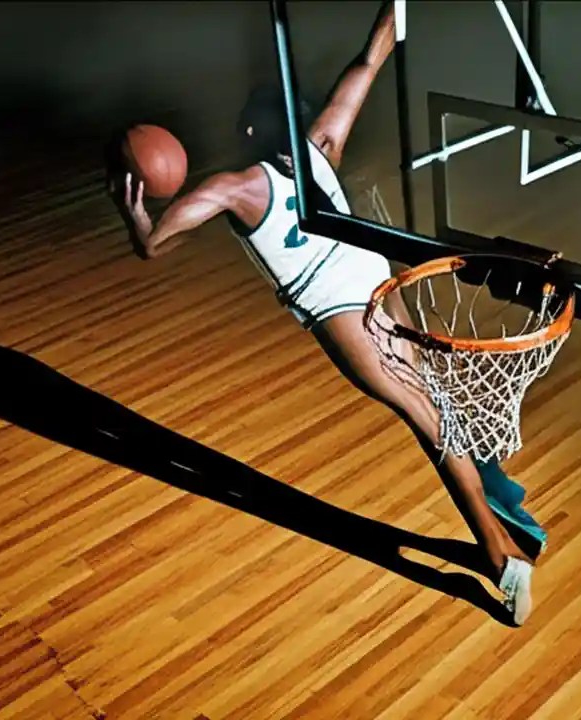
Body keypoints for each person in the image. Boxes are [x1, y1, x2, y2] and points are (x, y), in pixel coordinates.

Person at [109, 0, 543, 624]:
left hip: (343, 308)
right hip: (377, 286)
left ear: (251, 133)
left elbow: (155, 245)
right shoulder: (321, 146)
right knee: (437, 415)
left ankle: (503, 564)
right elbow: (371, 56)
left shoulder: (239, 185)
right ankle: (496, 522)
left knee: (430, 420)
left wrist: (138, 216)